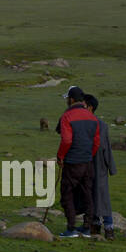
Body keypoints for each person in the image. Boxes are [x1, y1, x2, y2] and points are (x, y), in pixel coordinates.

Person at [55, 85, 99, 238]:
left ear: (71, 99)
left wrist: (60, 156)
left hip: (73, 162)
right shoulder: (92, 117)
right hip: (87, 162)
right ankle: (87, 227)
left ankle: (71, 227)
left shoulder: (67, 116)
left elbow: (66, 140)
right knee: (87, 194)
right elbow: (96, 142)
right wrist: (88, 155)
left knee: (67, 193)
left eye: (68, 98)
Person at [83, 93, 116, 240]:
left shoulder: (100, 126)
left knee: (101, 195)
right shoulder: (88, 123)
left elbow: (106, 147)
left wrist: (110, 167)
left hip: (97, 165)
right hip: (90, 165)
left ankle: (108, 227)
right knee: (92, 194)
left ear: (90, 107)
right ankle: (95, 225)